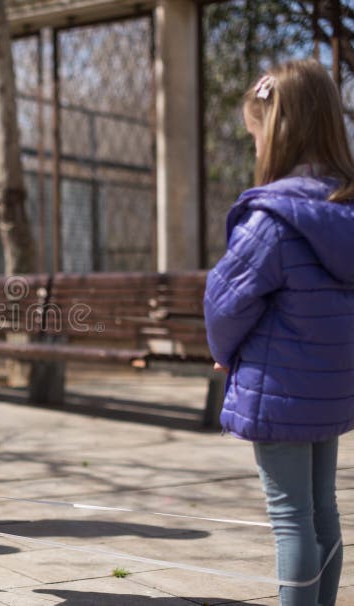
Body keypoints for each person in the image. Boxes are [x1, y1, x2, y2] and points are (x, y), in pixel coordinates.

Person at [204, 59, 354, 605]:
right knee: (323, 509)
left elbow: (225, 301)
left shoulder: (274, 219)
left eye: (256, 135)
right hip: (332, 387)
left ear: (279, 134)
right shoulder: (346, 210)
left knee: (291, 518)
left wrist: (223, 352)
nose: (256, 146)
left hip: (282, 388)